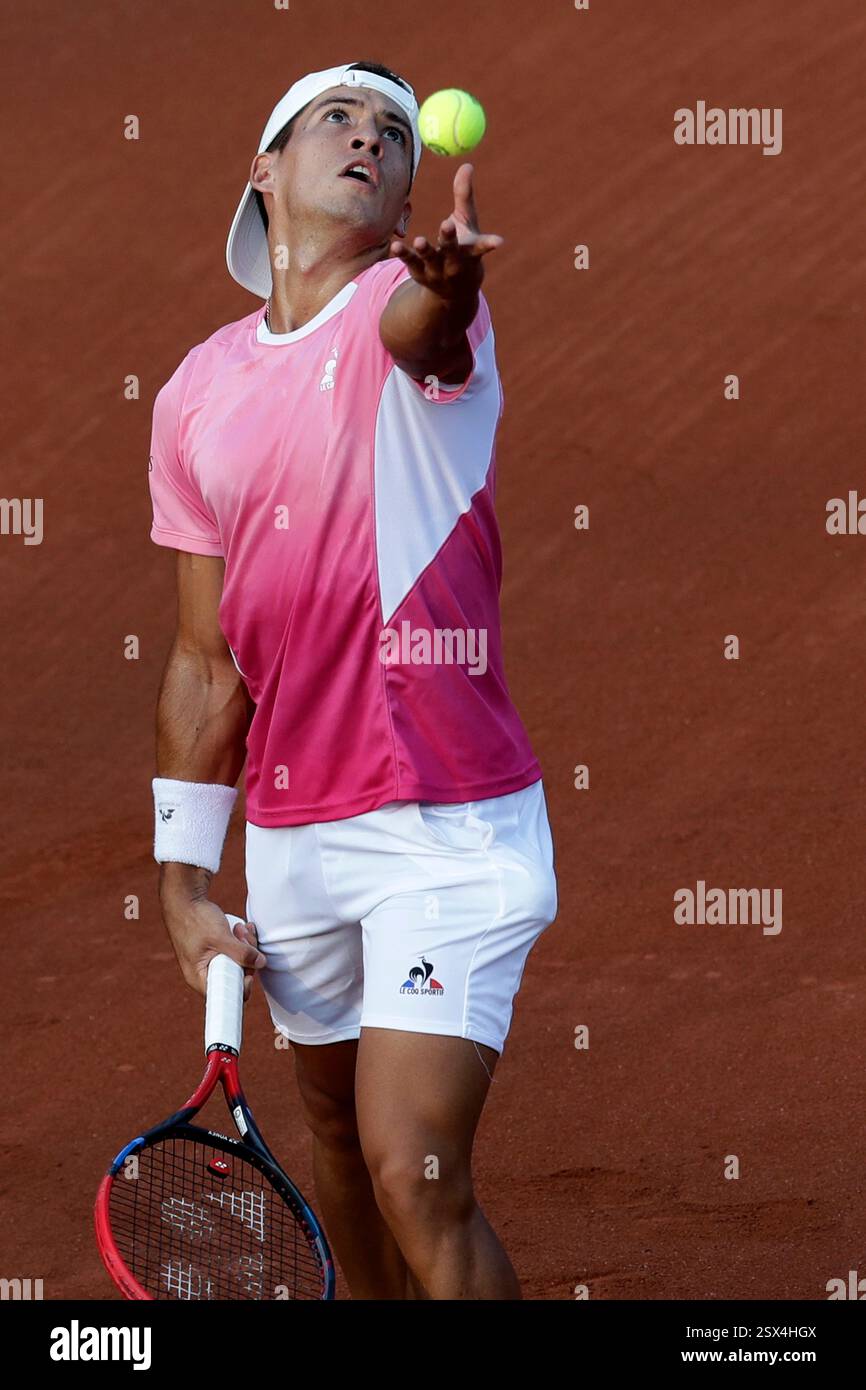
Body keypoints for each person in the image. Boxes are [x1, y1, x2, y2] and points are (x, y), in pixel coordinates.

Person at [148, 59, 558, 1300]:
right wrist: (179, 881)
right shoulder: (195, 394)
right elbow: (204, 662)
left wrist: (452, 283)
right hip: (291, 840)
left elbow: (419, 330)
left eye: (393, 131)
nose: (372, 137)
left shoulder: (417, 310)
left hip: (446, 824)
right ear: (263, 171)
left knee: (411, 1163)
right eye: (337, 117)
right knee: (332, 1141)